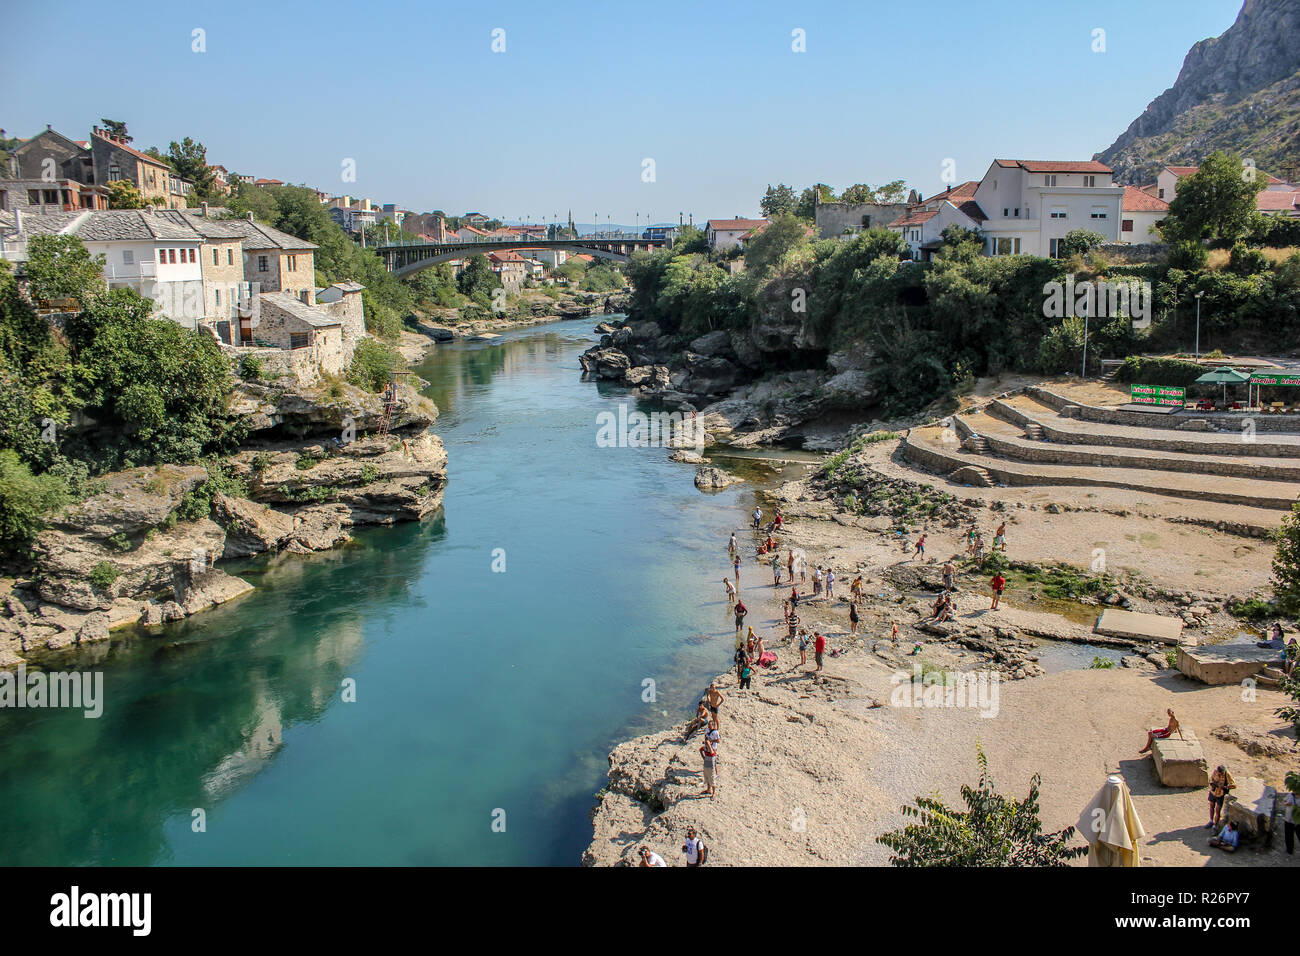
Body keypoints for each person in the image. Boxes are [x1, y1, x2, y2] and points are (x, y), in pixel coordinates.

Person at [1206, 766, 1236, 830]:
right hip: (1213, 792)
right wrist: (1212, 784)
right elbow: (1211, 779)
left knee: (1218, 809)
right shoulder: (1215, 772)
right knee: (1211, 806)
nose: (1219, 774)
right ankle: (1211, 821)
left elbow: (1233, 785)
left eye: (1221, 773)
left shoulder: (1227, 774)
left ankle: (1215, 825)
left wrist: (1225, 787)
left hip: (1221, 794)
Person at [1283, 788, 1297, 855]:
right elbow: (1284, 802)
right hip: (1289, 819)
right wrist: (1287, 804)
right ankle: (1289, 850)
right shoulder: (1290, 796)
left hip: (1297, 821)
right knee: (1288, 836)